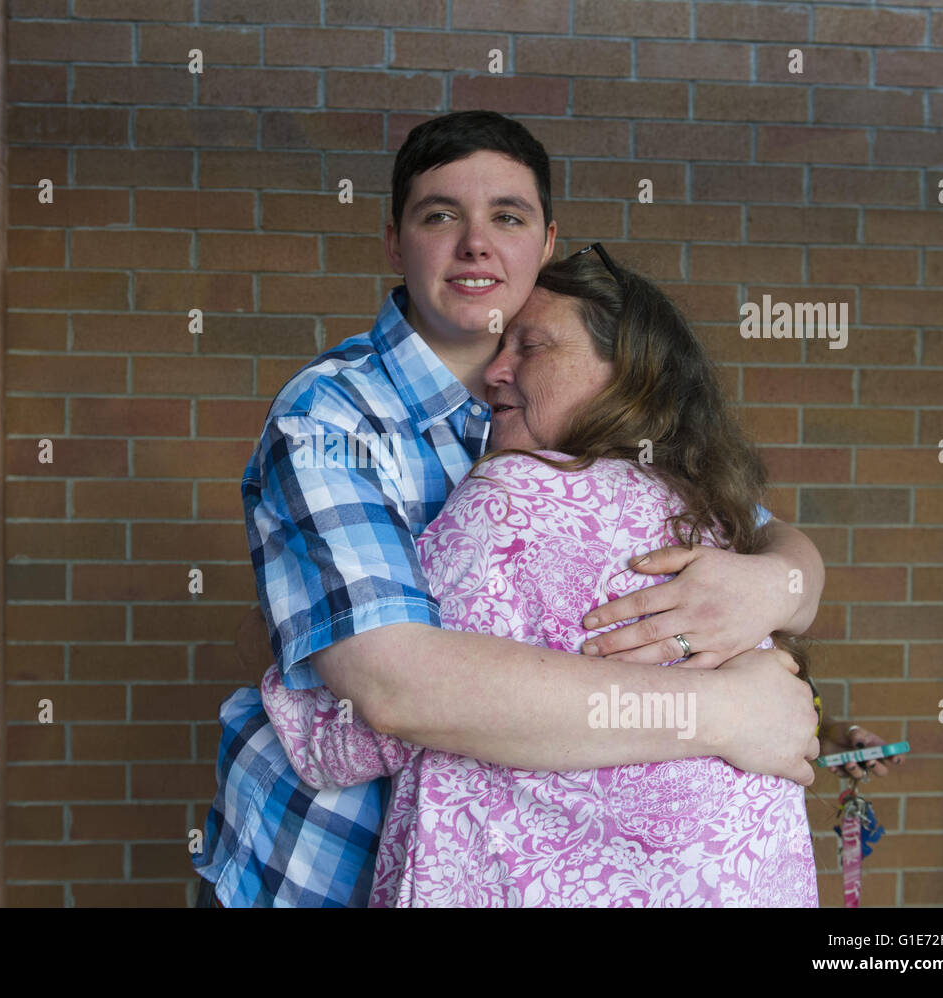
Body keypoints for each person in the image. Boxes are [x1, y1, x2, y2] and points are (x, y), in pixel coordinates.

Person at [192, 110, 825, 908]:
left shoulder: (581, 417)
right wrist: (729, 711)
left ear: (547, 242)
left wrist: (776, 584)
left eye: (508, 216)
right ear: (395, 242)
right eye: (440, 215)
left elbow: (776, 543)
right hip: (323, 872)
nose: (476, 244)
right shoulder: (330, 419)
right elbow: (392, 688)